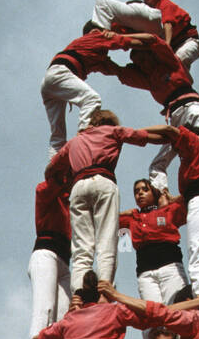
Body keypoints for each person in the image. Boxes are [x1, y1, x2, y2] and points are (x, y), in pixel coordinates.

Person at [45, 109, 171, 290]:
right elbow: (147, 136)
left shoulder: (75, 141)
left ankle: (79, 295)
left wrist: (66, 181)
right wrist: (173, 139)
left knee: (82, 246)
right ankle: (105, 290)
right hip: (104, 182)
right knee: (106, 240)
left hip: (79, 186)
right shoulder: (113, 131)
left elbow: (50, 170)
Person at [107, 38, 199, 196]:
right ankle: (162, 198)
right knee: (157, 164)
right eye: (138, 63)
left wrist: (121, 39)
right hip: (175, 117)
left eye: (143, 58)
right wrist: (98, 53)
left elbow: (155, 41)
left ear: (151, 55)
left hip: (190, 107)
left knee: (197, 149)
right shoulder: (148, 79)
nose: (143, 64)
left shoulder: (170, 62)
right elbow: (117, 71)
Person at [40, 24, 143, 157]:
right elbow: (127, 42)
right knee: (92, 99)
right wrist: (152, 42)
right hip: (61, 73)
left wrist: (136, 73)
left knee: (57, 135)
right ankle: (84, 137)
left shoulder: (91, 52)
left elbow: (114, 70)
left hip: (50, 81)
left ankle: (53, 171)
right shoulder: (95, 36)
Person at [151, 124, 199, 298]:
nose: (177, 150)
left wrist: (134, 133)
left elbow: (169, 130)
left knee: (198, 262)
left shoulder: (194, 144)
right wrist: (174, 199)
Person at [118, 178, 189, 308]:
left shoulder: (169, 210)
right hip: (145, 272)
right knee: (153, 316)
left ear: (154, 193)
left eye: (145, 190)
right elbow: (108, 218)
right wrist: (125, 213)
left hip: (171, 267)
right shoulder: (132, 218)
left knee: (176, 311)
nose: (140, 193)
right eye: (136, 191)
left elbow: (191, 199)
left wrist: (172, 198)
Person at [28, 172, 72, 339]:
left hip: (64, 262)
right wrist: (60, 178)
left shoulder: (73, 203)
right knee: (45, 307)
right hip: (46, 254)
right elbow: (41, 189)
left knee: (63, 314)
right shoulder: (50, 195)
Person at [138, 0, 199, 68]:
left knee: (177, 62)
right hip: (175, 47)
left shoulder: (165, 4)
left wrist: (166, 47)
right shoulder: (152, 12)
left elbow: (168, 25)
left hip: (188, 42)